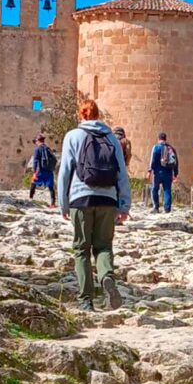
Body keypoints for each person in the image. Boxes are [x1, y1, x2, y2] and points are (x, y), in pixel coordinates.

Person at [58, 100, 131, 311]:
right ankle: (107, 278)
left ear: (80, 115)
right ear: (98, 115)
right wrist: (124, 205)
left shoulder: (73, 136)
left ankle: (86, 301)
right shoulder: (112, 138)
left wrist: (64, 204)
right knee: (104, 246)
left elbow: (65, 172)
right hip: (107, 200)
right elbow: (121, 174)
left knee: (82, 249)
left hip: (80, 200)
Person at [149, 131, 179, 213]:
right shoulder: (171, 148)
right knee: (167, 190)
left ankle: (156, 207)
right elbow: (176, 162)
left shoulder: (156, 147)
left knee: (154, 189)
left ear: (158, 139)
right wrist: (175, 174)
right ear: (166, 139)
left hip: (157, 173)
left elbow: (152, 160)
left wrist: (149, 171)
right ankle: (167, 209)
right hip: (168, 173)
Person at [28, 133, 57, 204]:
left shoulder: (37, 149)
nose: (35, 143)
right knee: (51, 187)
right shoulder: (48, 149)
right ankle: (53, 203)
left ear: (38, 141)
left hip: (40, 171)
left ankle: (30, 198)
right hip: (49, 171)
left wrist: (35, 171)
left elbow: (35, 161)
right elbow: (54, 159)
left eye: (35, 141)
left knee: (33, 183)